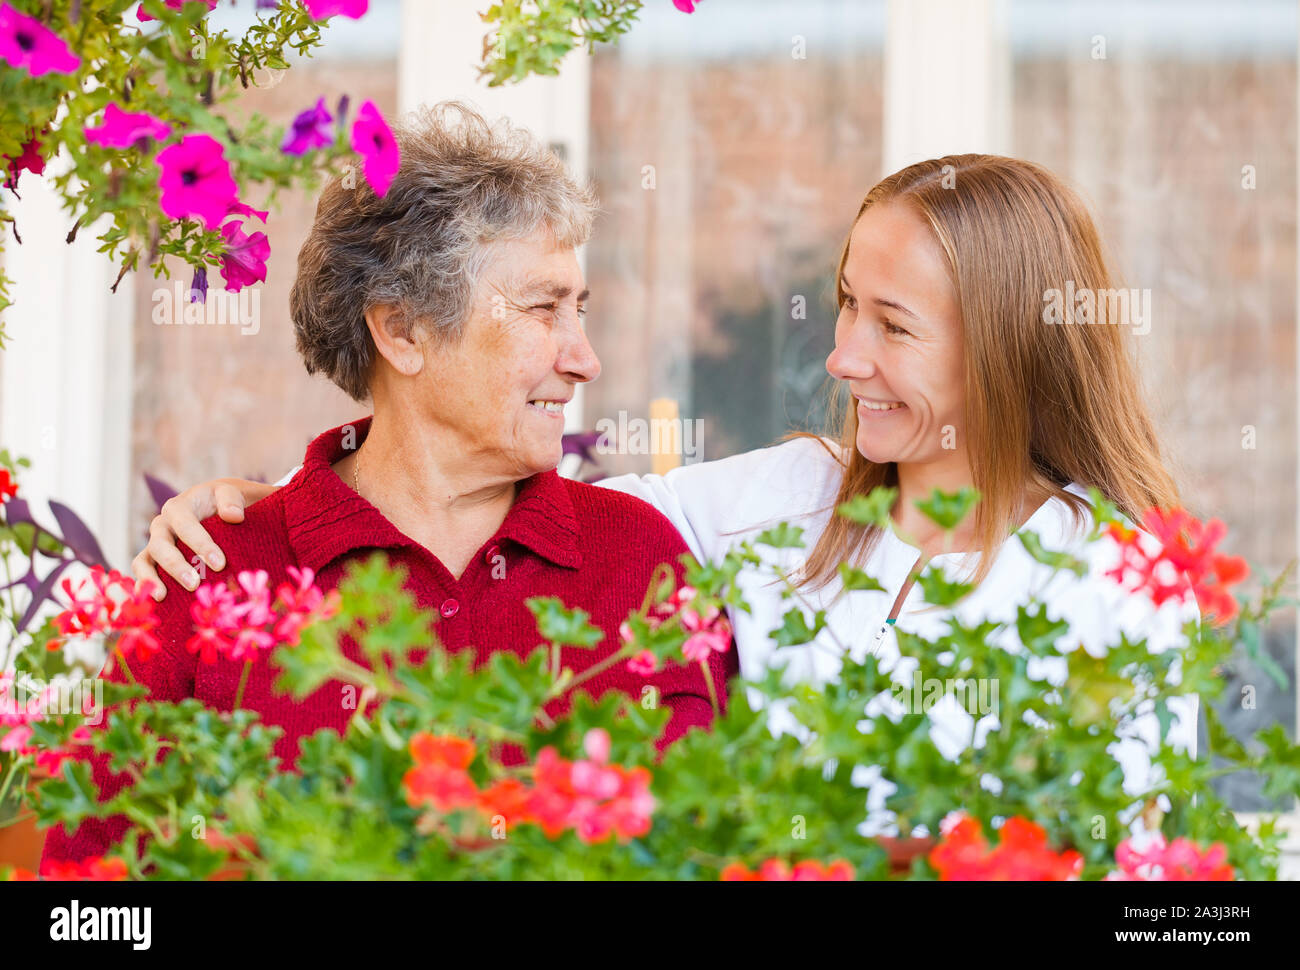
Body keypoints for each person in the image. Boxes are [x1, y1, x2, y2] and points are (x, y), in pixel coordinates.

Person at [134, 153, 1201, 831]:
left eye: (892, 326)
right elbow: (451, 473)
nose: (841, 358)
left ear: (1007, 351)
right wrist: (256, 510)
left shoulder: (1122, 586)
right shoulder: (779, 501)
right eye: (842, 307)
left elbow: (1155, 882)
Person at [43, 102, 736, 865]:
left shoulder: (639, 560)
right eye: (544, 309)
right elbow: (85, 885)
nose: (584, 358)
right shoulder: (213, 574)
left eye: (580, 309)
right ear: (402, 331)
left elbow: (701, 854)